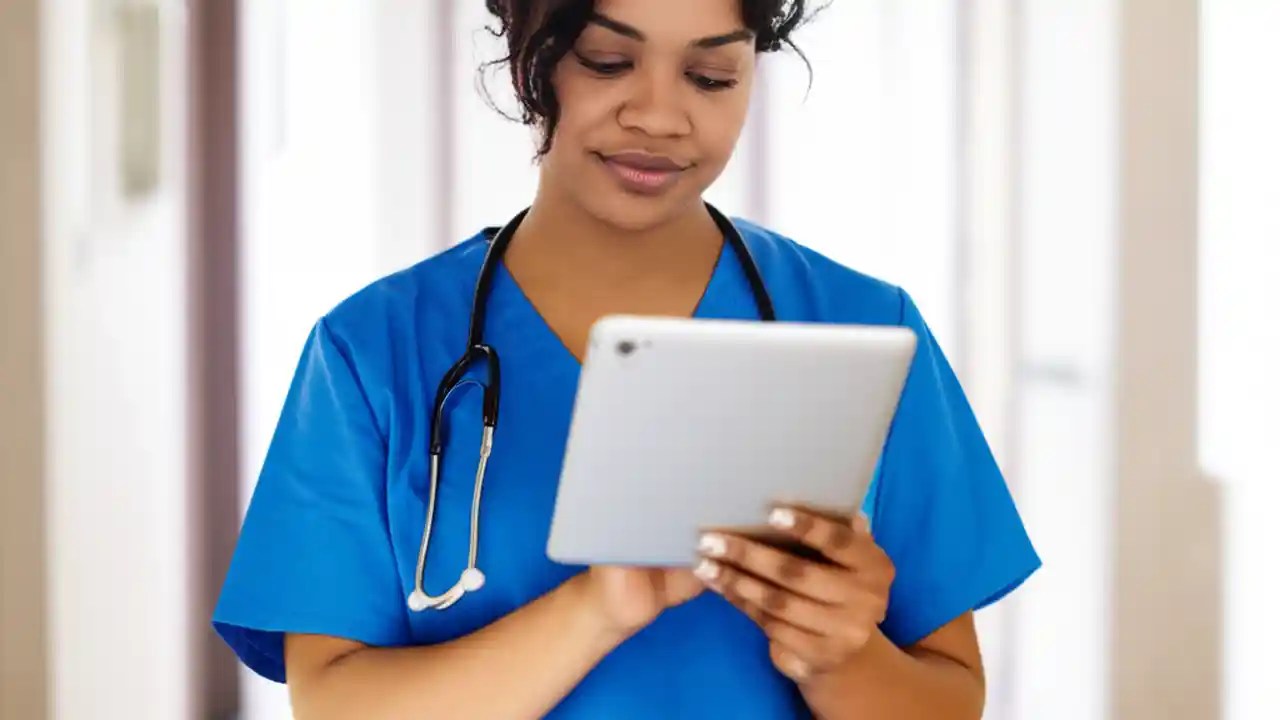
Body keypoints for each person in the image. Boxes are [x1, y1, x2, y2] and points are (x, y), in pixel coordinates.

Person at [212, 0, 1040, 717]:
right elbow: (334, 705)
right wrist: (600, 606)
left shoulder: (863, 328)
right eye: (609, 61)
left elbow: (949, 700)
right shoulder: (372, 352)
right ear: (530, 55)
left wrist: (840, 654)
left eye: (711, 77)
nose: (659, 115)